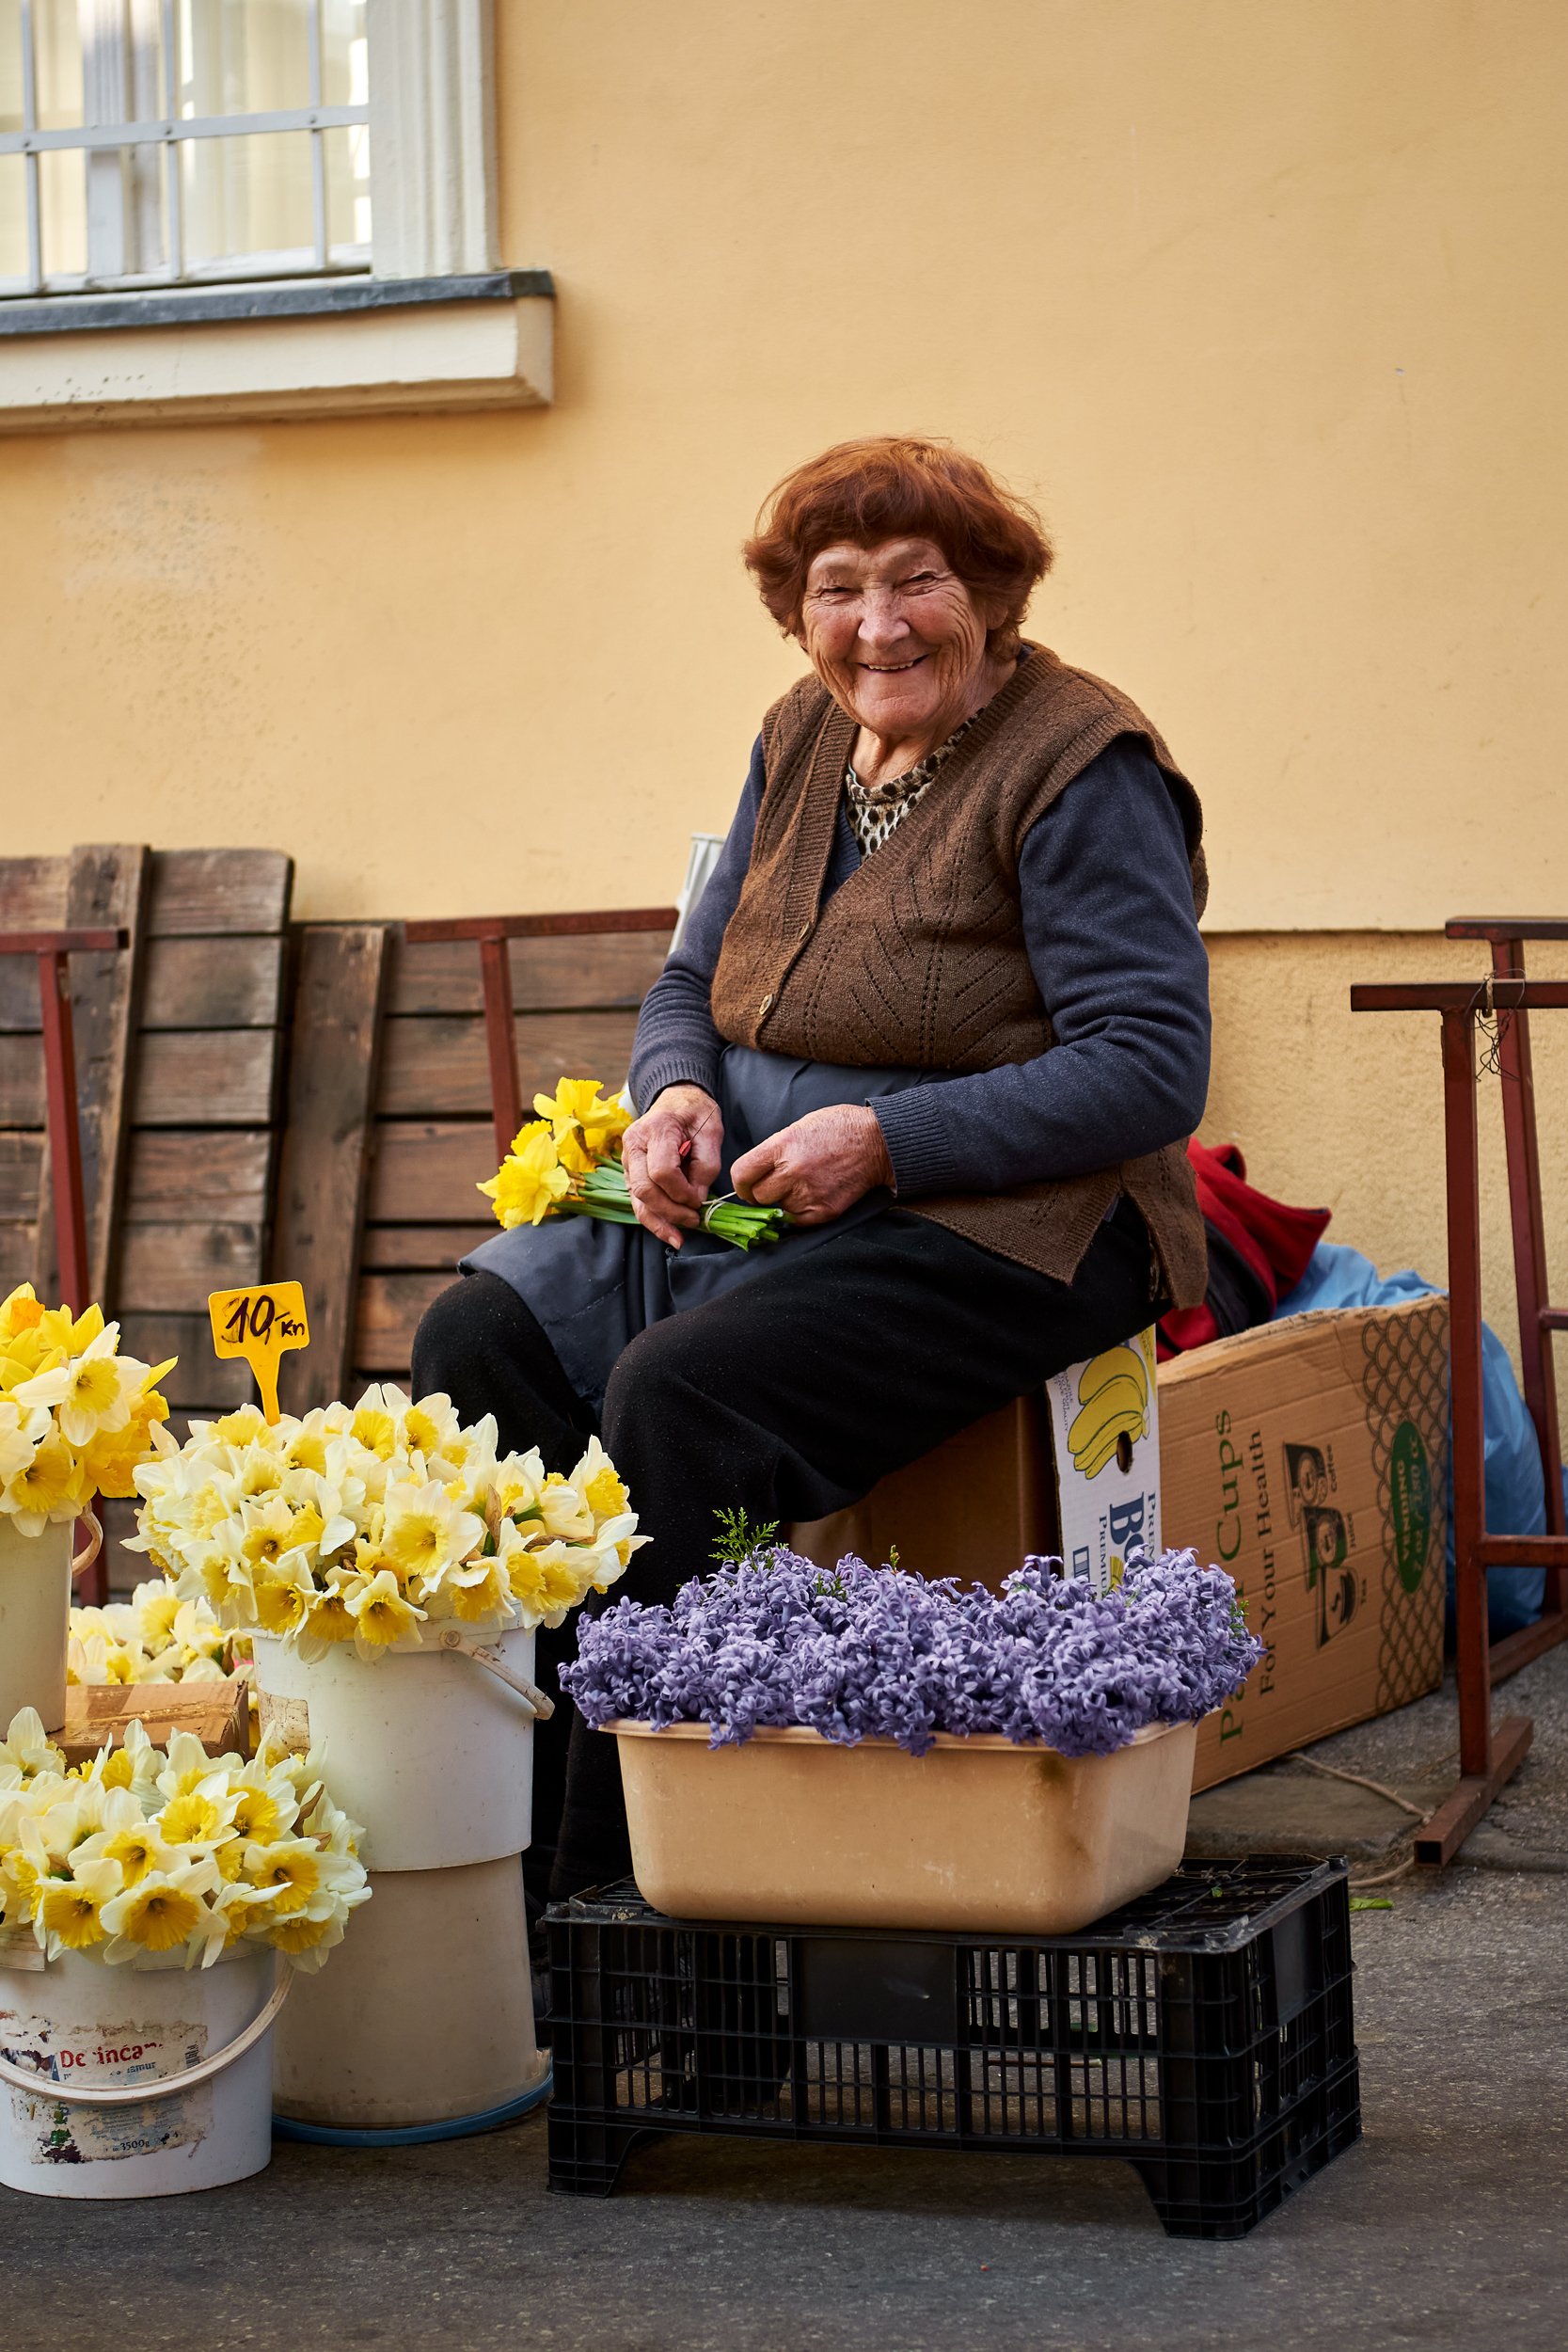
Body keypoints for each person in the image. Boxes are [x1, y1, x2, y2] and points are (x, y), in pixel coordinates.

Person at [413, 435, 1212, 1902]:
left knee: (684, 1395)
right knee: (477, 1337)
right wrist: (673, 1095)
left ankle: (631, 1894)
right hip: (767, 1198)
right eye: (838, 591)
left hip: (1020, 1219)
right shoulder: (800, 735)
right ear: (798, 616)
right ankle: (508, 1822)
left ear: (995, 595)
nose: (878, 626)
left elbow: (1150, 1065)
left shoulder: (1080, 762)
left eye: (919, 583)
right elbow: (690, 976)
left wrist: (889, 1140)